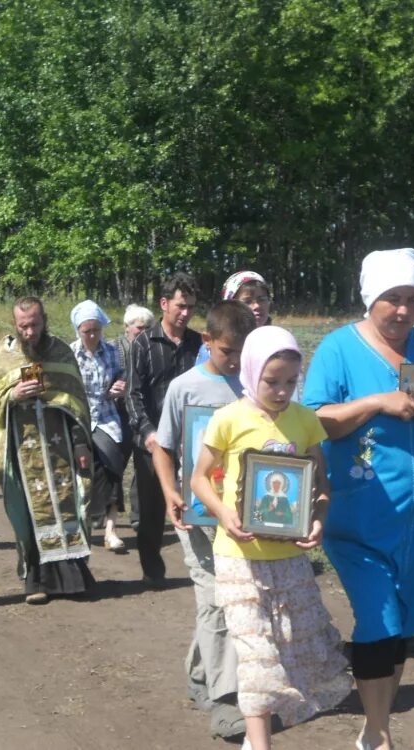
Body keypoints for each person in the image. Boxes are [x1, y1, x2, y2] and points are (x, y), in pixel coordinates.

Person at [302, 248, 414, 750]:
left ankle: (375, 727)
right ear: (369, 298)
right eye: (391, 299)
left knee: (401, 624)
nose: (402, 310)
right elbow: (314, 421)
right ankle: (378, 734)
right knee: (377, 618)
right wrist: (377, 402)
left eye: (410, 299)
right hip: (359, 515)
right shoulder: (339, 349)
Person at [191, 326, 352, 750]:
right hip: (238, 556)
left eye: (290, 381)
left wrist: (317, 519)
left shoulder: (305, 420)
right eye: (271, 381)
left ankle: (256, 734)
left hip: (288, 557)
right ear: (250, 372)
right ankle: (260, 743)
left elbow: (321, 485)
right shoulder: (229, 418)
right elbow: (200, 478)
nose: (281, 391)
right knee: (255, 652)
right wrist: (224, 513)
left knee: (293, 644)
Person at [151, 299, 255, 741]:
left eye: (242, 352)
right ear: (208, 341)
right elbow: (164, 447)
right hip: (197, 516)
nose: (235, 361)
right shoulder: (185, 388)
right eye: (227, 351)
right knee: (215, 600)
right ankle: (225, 699)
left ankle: (200, 671)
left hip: (242, 518)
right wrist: (170, 491)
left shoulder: (254, 387)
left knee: (231, 600)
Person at [0, 297, 95, 605]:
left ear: (44, 320)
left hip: (61, 447)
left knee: (67, 505)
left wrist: (81, 442)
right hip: (21, 447)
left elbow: (77, 399)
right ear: (15, 325)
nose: (29, 332)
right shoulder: (5, 354)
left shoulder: (61, 351)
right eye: (23, 326)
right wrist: (13, 395)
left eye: (34, 324)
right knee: (30, 511)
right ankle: (37, 580)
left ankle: (73, 579)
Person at [126, 272, 201, 585]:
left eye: (191, 307)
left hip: (193, 439)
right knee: (152, 509)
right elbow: (132, 394)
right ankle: (152, 571)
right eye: (180, 306)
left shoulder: (199, 344)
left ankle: (204, 566)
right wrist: (148, 433)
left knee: (198, 501)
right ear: (164, 303)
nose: (185, 313)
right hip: (153, 440)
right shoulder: (143, 344)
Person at [70, 300, 129, 551]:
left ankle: (111, 530)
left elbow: (122, 375)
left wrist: (120, 386)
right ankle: (81, 524)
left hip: (107, 417)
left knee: (113, 469)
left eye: (96, 330)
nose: (93, 335)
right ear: (78, 331)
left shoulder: (113, 351)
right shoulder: (70, 354)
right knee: (83, 472)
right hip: (79, 419)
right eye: (87, 331)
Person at [114, 303, 155, 529]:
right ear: (127, 327)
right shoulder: (115, 349)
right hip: (118, 414)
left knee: (142, 468)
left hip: (142, 414)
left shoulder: (152, 348)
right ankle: (107, 511)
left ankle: (138, 516)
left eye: (148, 327)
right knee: (115, 463)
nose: (144, 331)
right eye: (140, 327)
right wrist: (114, 388)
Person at [195, 271, 272, 365]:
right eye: (247, 301)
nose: (257, 306)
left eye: (262, 299)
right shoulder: (215, 348)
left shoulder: (276, 342)